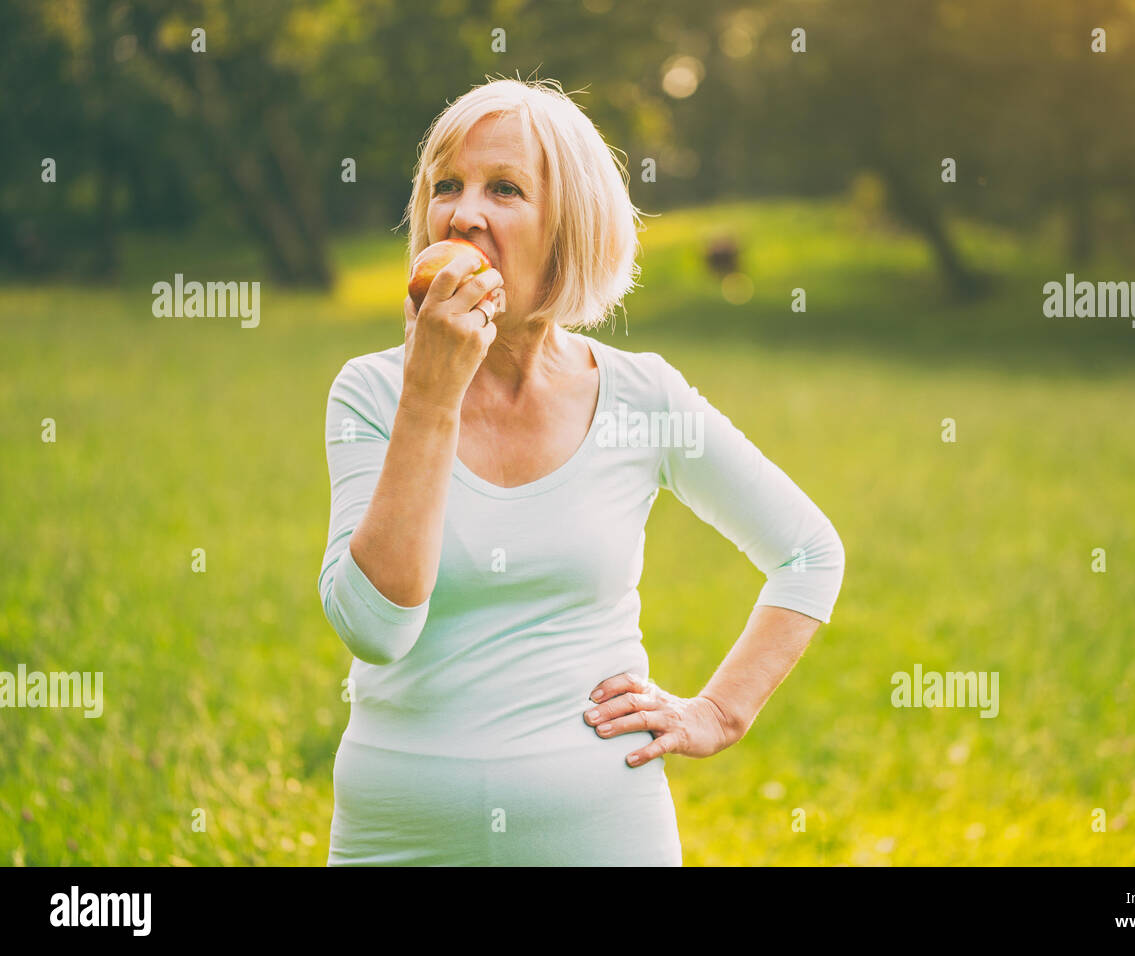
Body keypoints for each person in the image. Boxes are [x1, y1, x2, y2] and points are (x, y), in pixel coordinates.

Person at [317, 77, 845, 865]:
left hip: (604, 832)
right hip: (400, 837)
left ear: (567, 226)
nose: (463, 213)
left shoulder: (640, 394)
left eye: (504, 188)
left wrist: (719, 712)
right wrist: (429, 396)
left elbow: (808, 554)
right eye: (446, 185)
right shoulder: (371, 392)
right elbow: (376, 628)